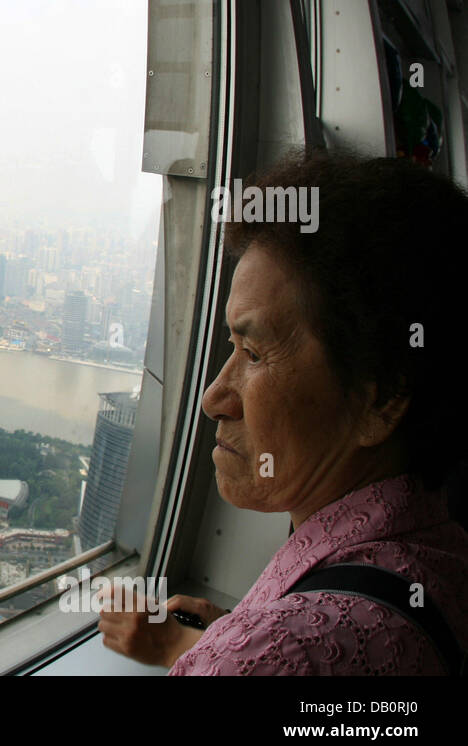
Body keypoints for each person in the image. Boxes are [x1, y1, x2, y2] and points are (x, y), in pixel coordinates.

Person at [99, 150, 468, 674]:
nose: (213, 398)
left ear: (381, 401)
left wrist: (237, 653)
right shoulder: (443, 554)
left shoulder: (274, 655)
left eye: (252, 354)